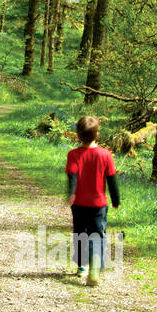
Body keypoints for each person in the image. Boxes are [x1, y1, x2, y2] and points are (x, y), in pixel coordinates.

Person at [65, 115, 120, 287]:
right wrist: (116, 199)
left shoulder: (73, 154)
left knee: (80, 233)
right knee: (98, 234)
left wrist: (71, 194)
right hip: (99, 204)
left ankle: (82, 267)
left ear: (77, 135)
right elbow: (112, 179)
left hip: (79, 203)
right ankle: (95, 268)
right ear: (97, 134)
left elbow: (72, 176)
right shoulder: (105, 154)